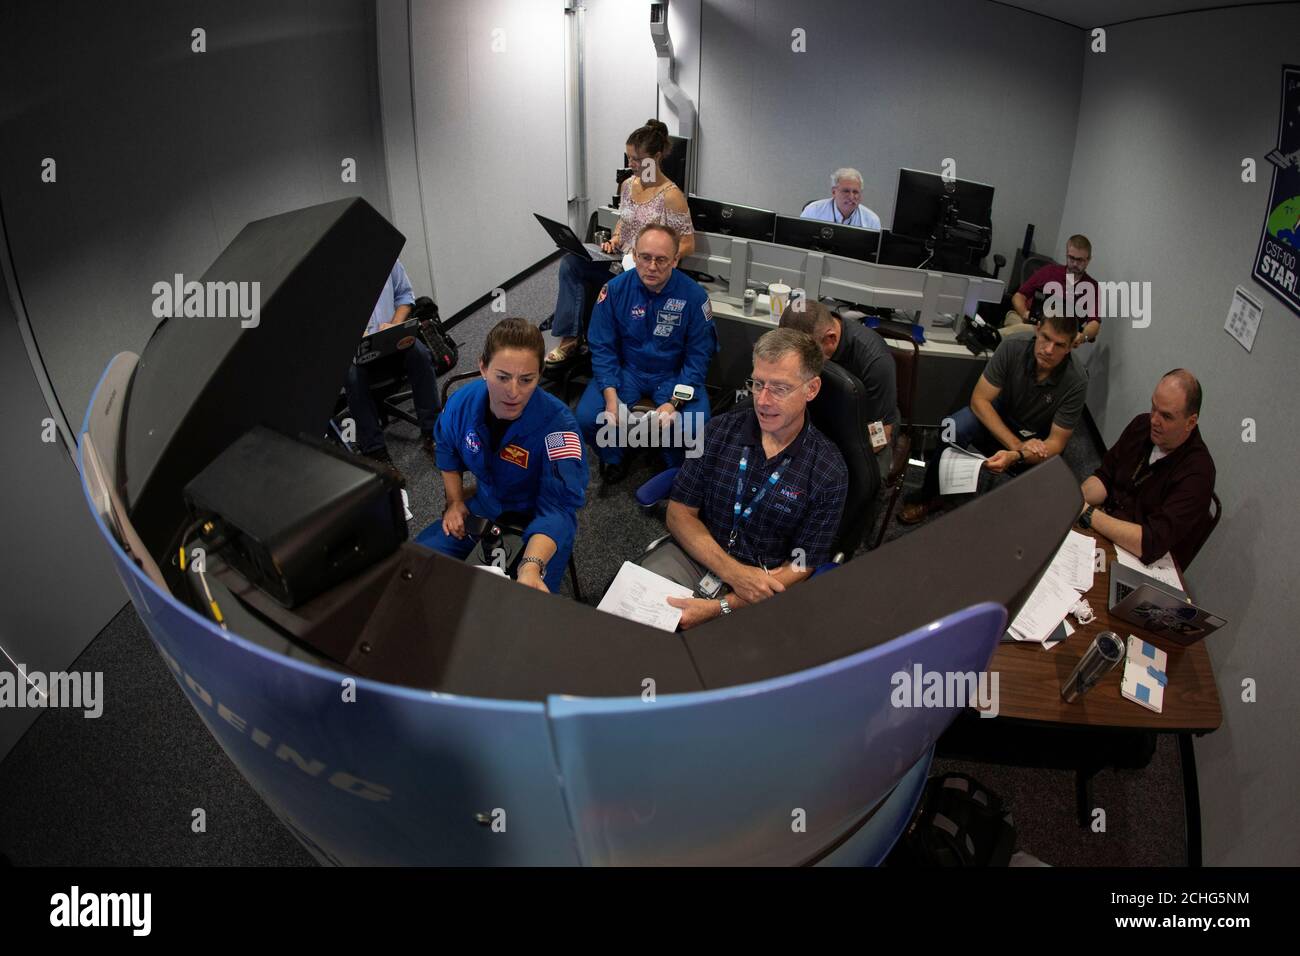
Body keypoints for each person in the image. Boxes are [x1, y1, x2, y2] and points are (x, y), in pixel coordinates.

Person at [648, 329, 848, 630]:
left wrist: (722, 606)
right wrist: (733, 573)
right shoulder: (718, 431)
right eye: (757, 384)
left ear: (811, 389)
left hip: (765, 583)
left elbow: (801, 564)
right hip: (701, 553)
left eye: (780, 388)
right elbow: (679, 514)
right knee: (628, 627)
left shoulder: (829, 472)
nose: (763, 400)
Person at [414, 318, 587, 594]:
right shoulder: (462, 403)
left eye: (527, 380)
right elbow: (446, 447)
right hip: (485, 506)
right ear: (483, 367)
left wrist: (530, 566)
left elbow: (558, 509)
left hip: (538, 521)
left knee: (523, 608)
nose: (513, 392)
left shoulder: (560, 430)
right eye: (502, 377)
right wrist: (455, 502)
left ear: (540, 373)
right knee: (416, 565)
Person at [900, 312, 1087, 523]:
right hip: (1001, 419)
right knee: (952, 426)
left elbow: (1056, 442)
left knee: (1048, 486)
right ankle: (930, 495)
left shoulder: (1076, 380)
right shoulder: (1012, 346)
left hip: (1036, 438)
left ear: (1071, 346)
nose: (1048, 349)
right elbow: (979, 400)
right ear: (1037, 330)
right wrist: (1017, 445)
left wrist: (1019, 454)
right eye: (1045, 338)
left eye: (1059, 345)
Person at [577, 223, 717, 484]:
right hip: (627, 369)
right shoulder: (615, 290)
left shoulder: (695, 297)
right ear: (634, 255)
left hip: (674, 374)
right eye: (645, 257)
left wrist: (675, 403)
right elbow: (602, 347)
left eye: (661, 260)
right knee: (587, 417)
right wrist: (609, 395)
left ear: (675, 260)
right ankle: (614, 455)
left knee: (695, 426)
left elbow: (699, 357)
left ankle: (672, 464)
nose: (652, 266)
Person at [546, 119, 695, 364]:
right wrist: (615, 239)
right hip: (620, 259)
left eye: (637, 160)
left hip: (646, 269)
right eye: (629, 158)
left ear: (656, 157)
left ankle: (606, 350)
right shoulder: (627, 185)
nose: (631, 164)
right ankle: (570, 338)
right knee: (571, 263)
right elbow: (623, 223)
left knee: (614, 285)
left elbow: (688, 243)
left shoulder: (671, 196)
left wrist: (659, 258)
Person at [1079, 369, 1215, 570]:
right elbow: (1105, 477)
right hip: (1108, 525)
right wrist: (1075, 499)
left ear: (1190, 422)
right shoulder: (1142, 425)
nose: (1154, 420)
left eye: (1166, 416)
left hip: (1144, 562)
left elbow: (1150, 542)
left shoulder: (1198, 474)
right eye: (1153, 408)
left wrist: (1088, 513)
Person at [344, 259, 441, 469]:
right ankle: (375, 450)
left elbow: (405, 296)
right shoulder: (331, 271)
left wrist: (395, 325)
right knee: (352, 376)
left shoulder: (387, 257)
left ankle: (432, 432)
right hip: (355, 347)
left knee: (420, 355)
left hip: (389, 338)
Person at [778, 299, 898, 452]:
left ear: (831, 339)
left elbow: (881, 433)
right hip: (825, 414)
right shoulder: (806, 338)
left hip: (868, 424)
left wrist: (841, 460)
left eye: (805, 353)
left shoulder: (876, 361)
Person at [1002, 235, 1100, 347]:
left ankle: (992, 337)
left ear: (1088, 260)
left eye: (1080, 260)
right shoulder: (1049, 271)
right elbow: (1019, 296)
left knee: (1041, 335)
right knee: (1030, 332)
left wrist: (1083, 337)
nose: (1075, 264)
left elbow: (1094, 323)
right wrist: (1024, 312)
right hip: (1026, 320)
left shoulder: (1092, 287)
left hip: (1059, 334)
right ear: (1066, 254)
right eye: (1071, 258)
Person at [800, 168, 882, 230]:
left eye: (856, 192)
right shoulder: (812, 211)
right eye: (846, 191)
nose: (851, 197)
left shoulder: (872, 220)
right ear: (833, 192)